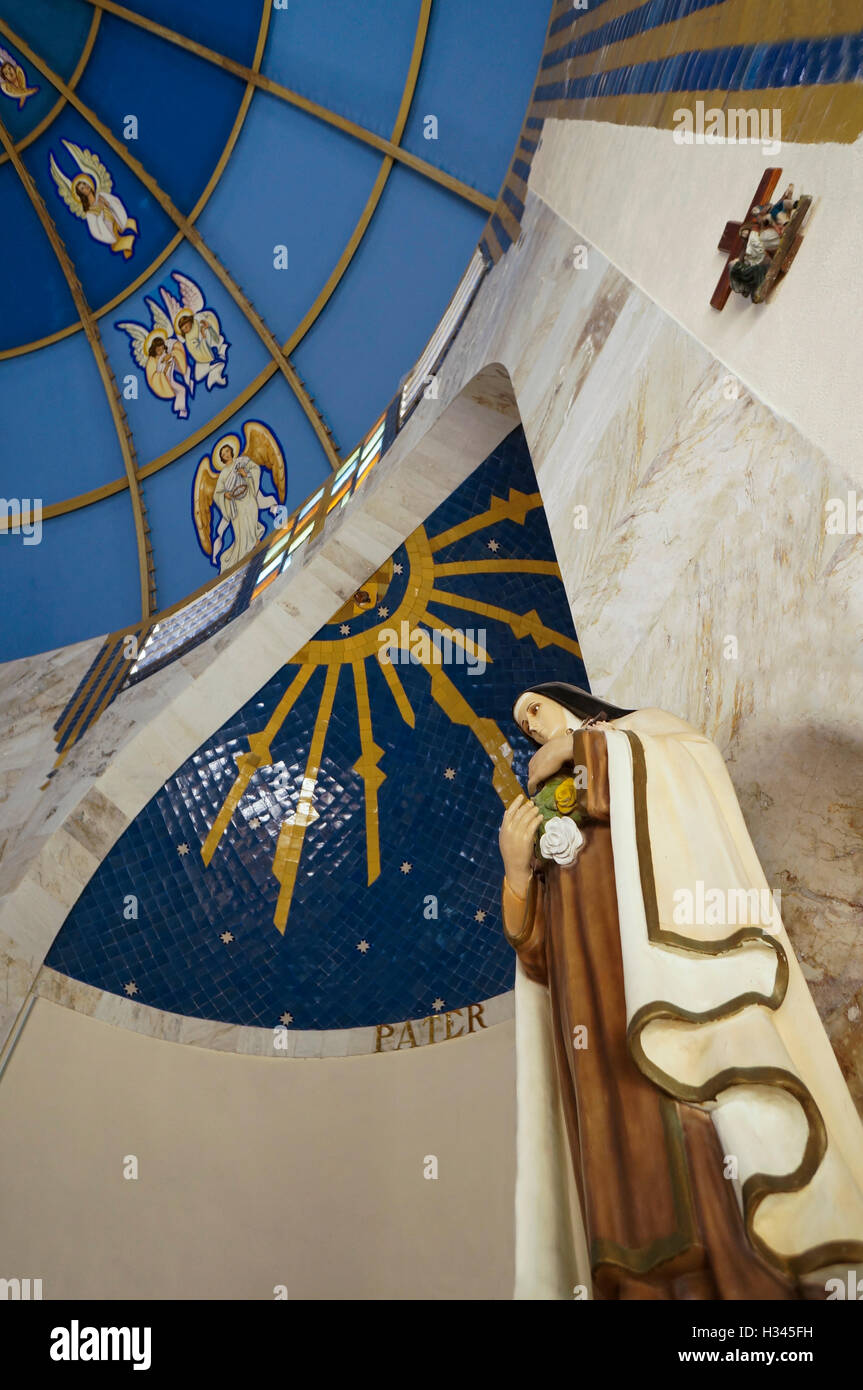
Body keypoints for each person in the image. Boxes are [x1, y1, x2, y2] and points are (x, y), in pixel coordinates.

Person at [499, 683, 863, 1299]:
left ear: (568, 697)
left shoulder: (640, 734)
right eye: (522, 722)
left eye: (535, 707)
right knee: (620, 1172)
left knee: (695, 1136)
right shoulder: (546, 812)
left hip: (661, 992)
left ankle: (747, 1294)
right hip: (588, 1020)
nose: (530, 724)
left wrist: (586, 748)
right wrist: (516, 872)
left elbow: (692, 766)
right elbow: (538, 957)